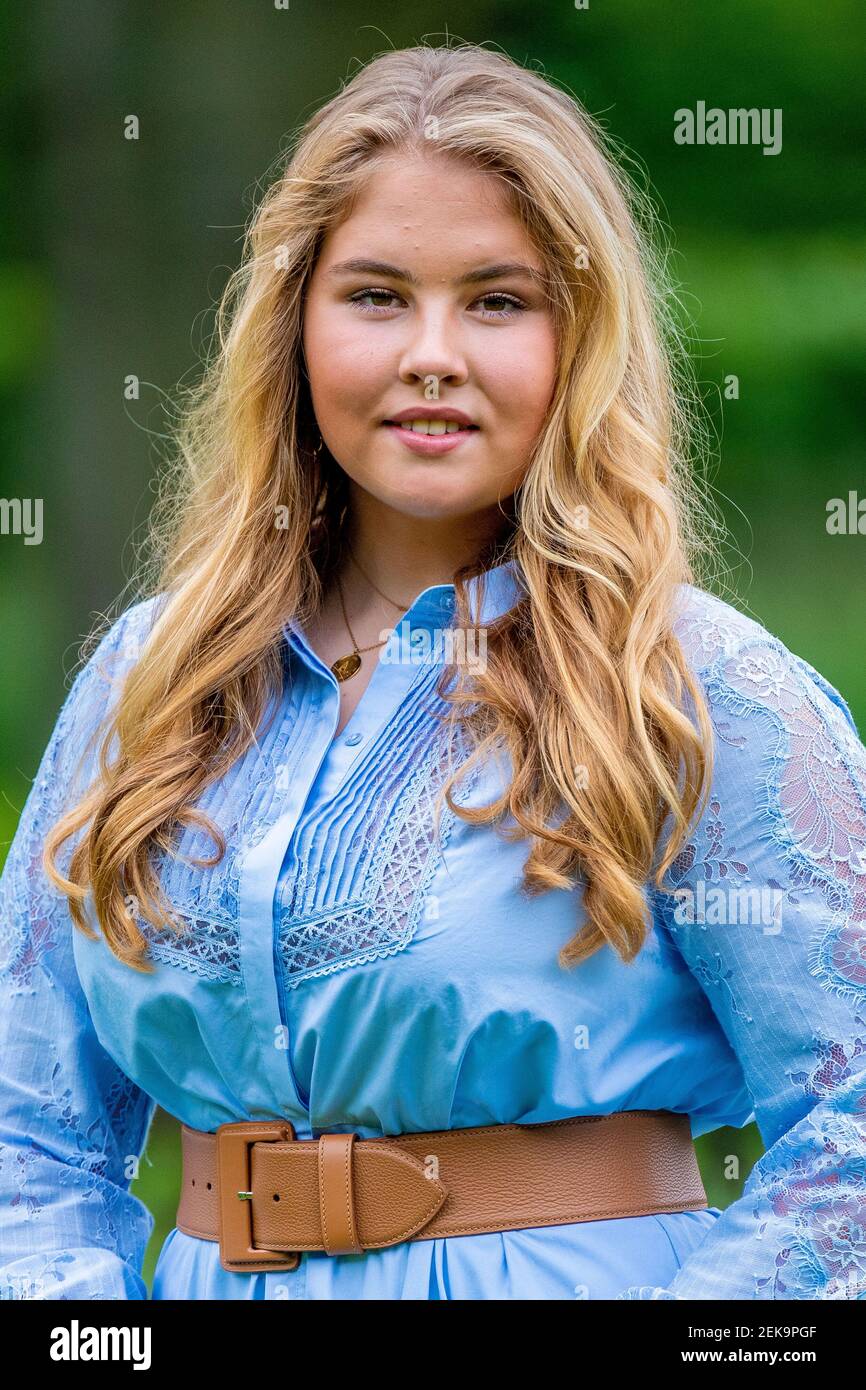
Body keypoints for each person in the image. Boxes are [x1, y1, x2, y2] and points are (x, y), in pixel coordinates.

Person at [1, 42, 864, 1302]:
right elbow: (26, 1140)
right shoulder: (147, 679)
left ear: (583, 337)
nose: (432, 352)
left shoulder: (698, 690)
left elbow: (847, 1141)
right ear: (291, 323)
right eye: (375, 295)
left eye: (498, 300)